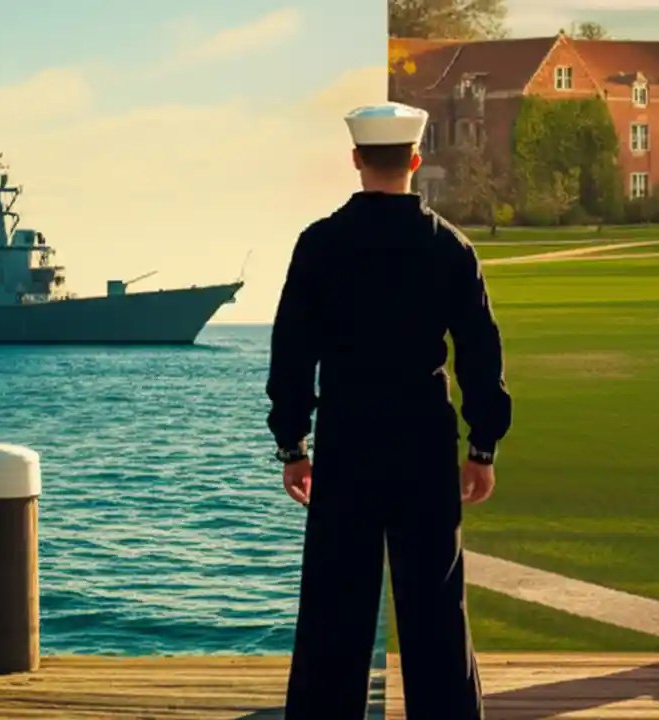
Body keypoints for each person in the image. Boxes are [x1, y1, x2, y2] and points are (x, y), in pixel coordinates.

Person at [266, 101, 512, 719]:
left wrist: (293, 444)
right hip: (424, 442)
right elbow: (480, 354)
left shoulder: (318, 245)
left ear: (356, 160)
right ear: (416, 160)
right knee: (435, 606)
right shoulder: (450, 248)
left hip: (347, 438)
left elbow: (292, 353)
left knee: (334, 607)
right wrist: (482, 446)